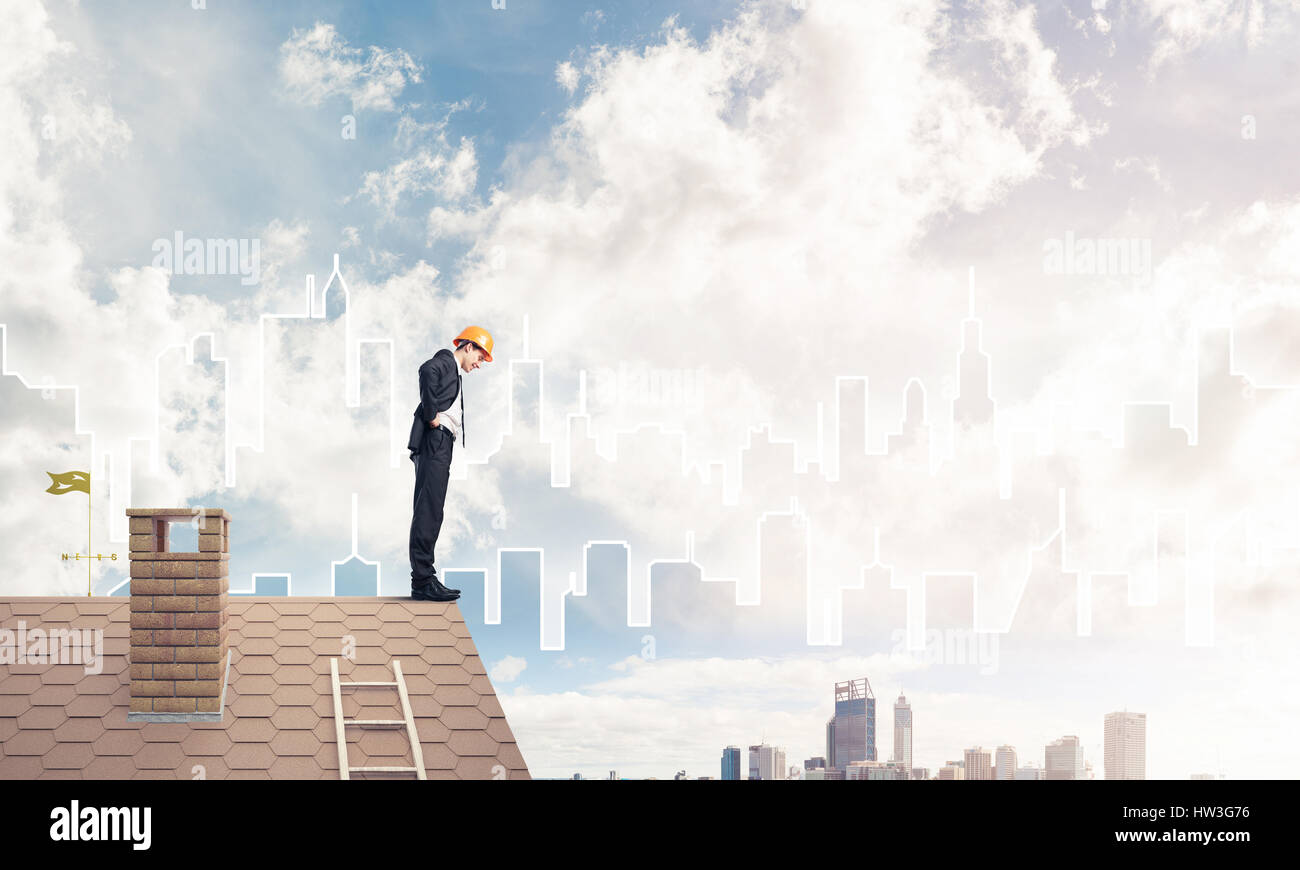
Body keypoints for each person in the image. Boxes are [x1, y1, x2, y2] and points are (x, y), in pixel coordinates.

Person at [407, 326, 494, 602]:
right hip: (435, 439)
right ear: (468, 347)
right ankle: (422, 580)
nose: (479, 365)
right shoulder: (446, 361)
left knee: (433, 509)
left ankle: (425, 578)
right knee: (429, 509)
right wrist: (432, 413)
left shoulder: (454, 372)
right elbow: (425, 370)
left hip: (441, 444)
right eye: (480, 358)